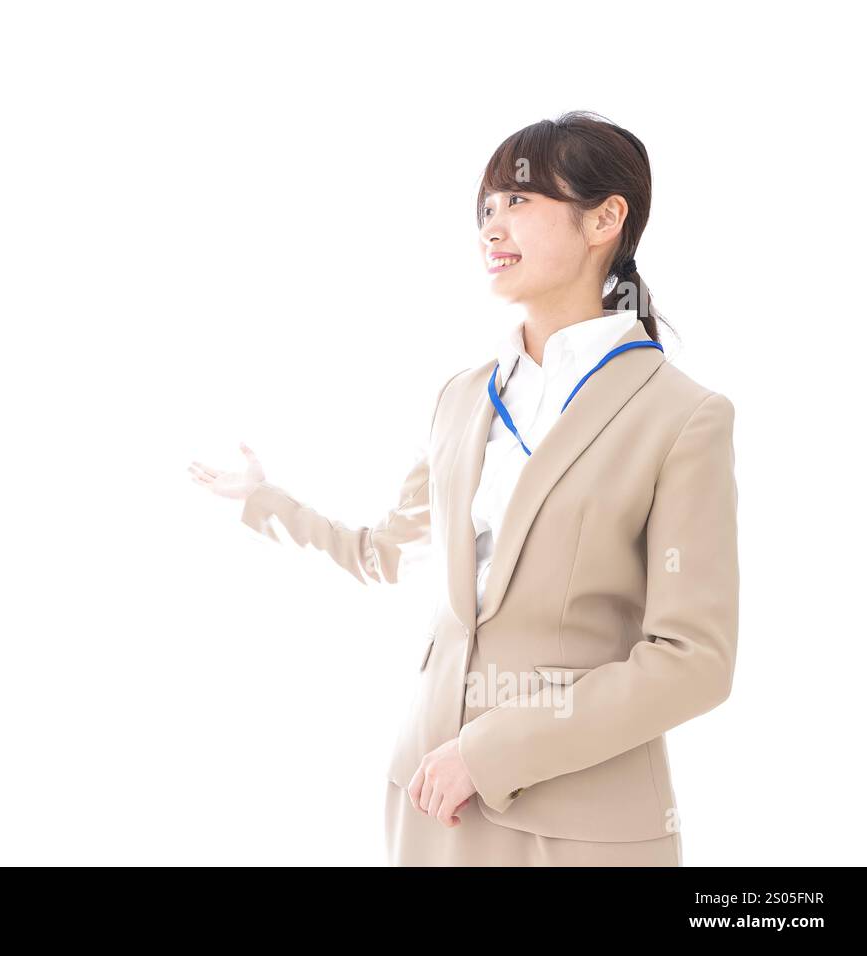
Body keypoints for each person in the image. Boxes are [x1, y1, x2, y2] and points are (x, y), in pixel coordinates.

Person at [187, 111, 737, 866]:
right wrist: (264, 501)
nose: (492, 226)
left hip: (579, 824)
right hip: (430, 805)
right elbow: (383, 554)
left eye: (520, 201)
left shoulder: (681, 416)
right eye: (486, 208)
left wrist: (490, 752)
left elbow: (692, 660)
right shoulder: (462, 398)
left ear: (607, 218)